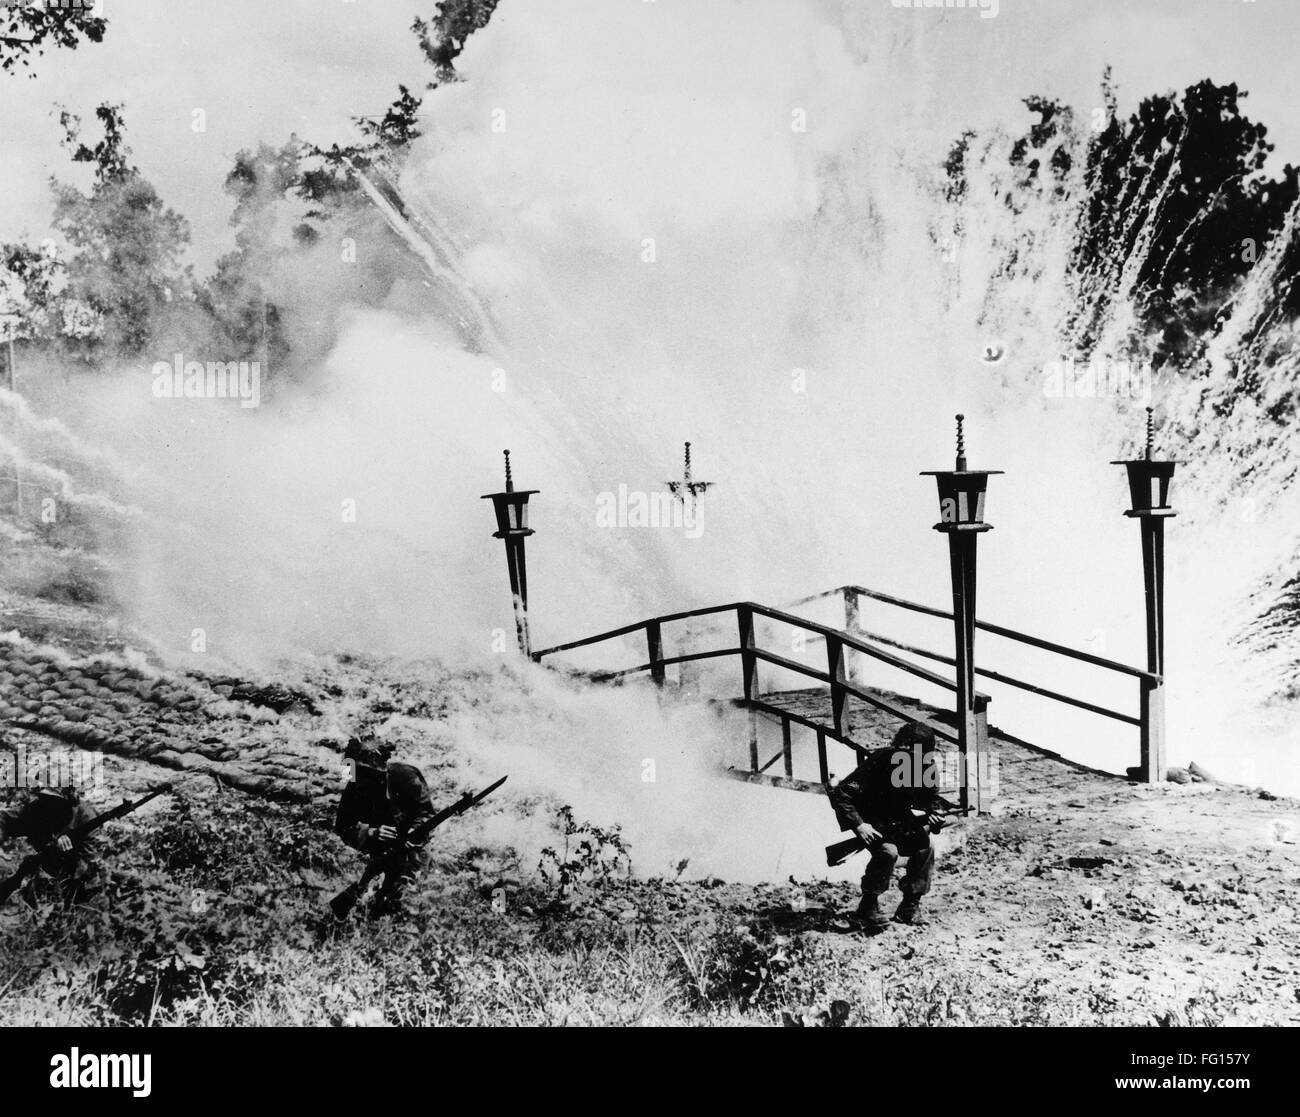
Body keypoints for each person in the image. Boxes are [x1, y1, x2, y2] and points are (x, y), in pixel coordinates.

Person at [828, 722, 948, 928]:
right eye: (906, 750)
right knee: (888, 852)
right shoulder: (881, 760)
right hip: (871, 819)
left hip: (900, 818)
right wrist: (859, 825)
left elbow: (932, 798)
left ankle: (910, 907)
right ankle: (867, 908)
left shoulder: (927, 765)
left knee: (925, 847)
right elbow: (842, 793)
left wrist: (935, 815)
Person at [333, 737, 435, 918]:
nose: (363, 778)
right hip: (381, 849)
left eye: (369, 773)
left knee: (408, 900)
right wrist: (371, 833)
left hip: (413, 846)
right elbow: (343, 827)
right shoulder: (355, 786)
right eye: (359, 771)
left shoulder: (407, 776)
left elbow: (426, 813)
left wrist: (414, 833)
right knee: (370, 904)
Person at [0, 784, 101, 906]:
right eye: (46, 799)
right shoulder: (39, 809)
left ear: (67, 801)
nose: (50, 806)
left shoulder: (86, 817)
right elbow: (5, 818)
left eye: (55, 801)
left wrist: (68, 854)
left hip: (71, 872)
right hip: (42, 860)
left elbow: (88, 864)